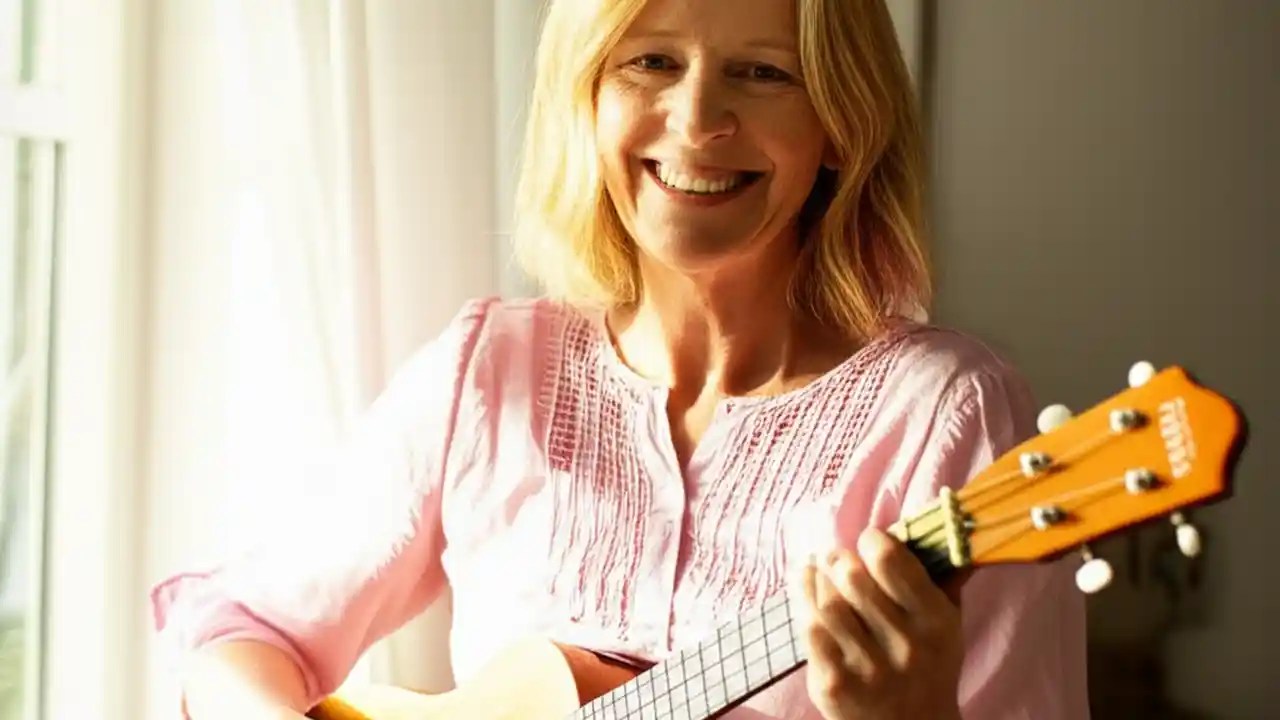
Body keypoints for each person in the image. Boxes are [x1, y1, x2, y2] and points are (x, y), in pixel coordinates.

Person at [151, 0, 1089, 718]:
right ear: (588, 96)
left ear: (841, 123)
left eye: (764, 73)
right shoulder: (489, 371)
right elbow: (239, 630)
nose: (696, 121)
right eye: (650, 62)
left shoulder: (949, 415)